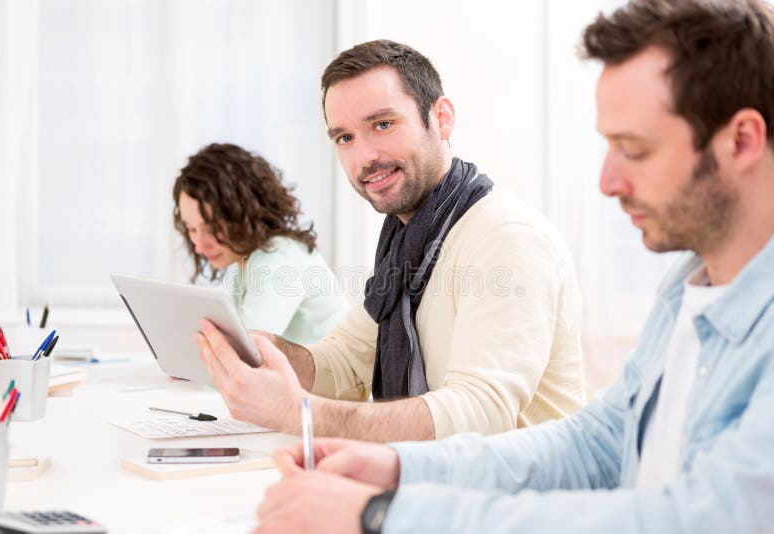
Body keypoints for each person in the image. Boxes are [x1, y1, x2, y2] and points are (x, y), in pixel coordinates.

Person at [253, 0, 774, 532]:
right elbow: (600, 443)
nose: (607, 181)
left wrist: (383, 511)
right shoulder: (685, 287)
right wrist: (398, 467)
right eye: (345, 137)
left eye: (634, 150)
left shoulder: (506, 238)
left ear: (742, 141)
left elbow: (712, 515)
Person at [193, 41, 585, 441]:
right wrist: (263, 348)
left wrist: (303, 414)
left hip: (513, 497)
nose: (364, 157)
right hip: (438, 483)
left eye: (382, 124)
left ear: (442, 118)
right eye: (344, 137)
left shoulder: (505, 237)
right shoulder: (408, 239)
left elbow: (480, 414)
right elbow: (345, 363)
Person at [173, 143, 347, 345]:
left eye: (212, 228)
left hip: (341, 376)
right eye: (192, 229)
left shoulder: (279, 257)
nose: (200, 247)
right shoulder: (245, 262)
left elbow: (250, 351)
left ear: (245, 212)